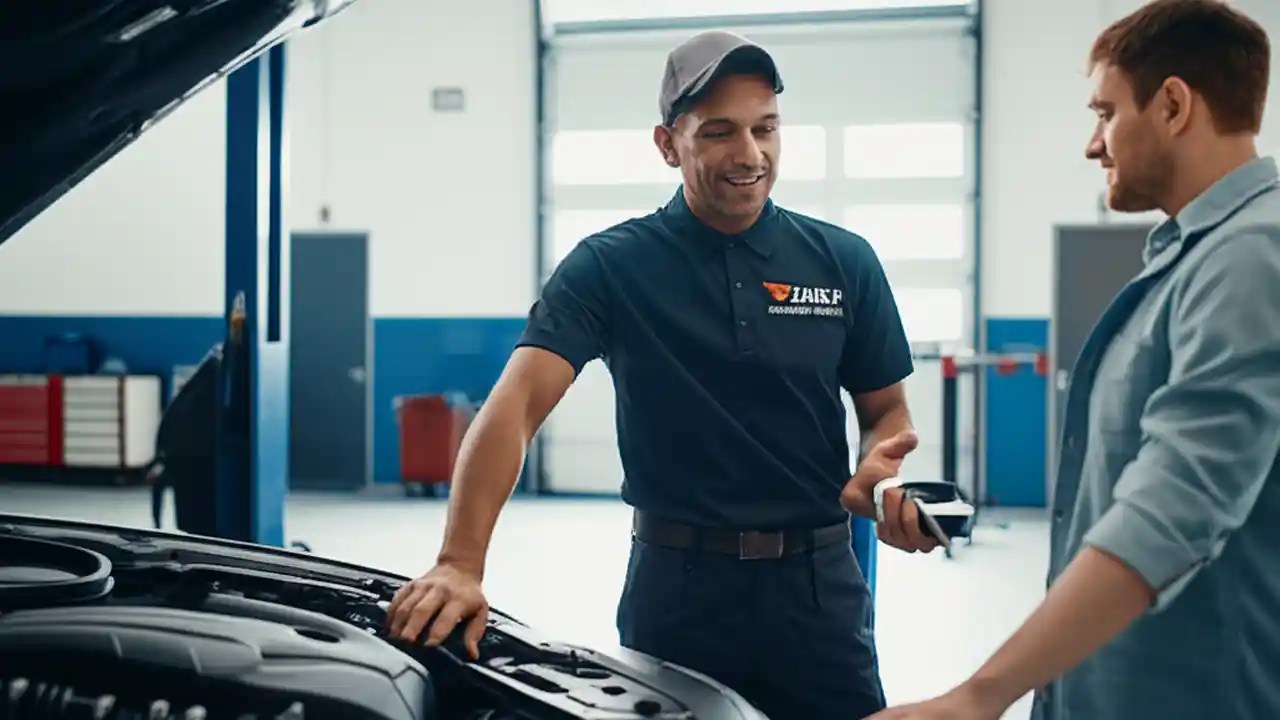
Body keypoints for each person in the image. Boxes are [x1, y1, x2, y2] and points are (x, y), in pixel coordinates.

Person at [385, 28, 940, 720]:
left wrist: (880, 475)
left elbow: (886, 411)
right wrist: (460, 561)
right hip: (679, 592)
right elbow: (516, 405)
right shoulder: (611, 267)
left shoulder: (844, 261)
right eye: (719, 132)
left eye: (766, 128)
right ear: (667, 144)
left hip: (818, 590)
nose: (750, 154)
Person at [869, 1, 1280, 718]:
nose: (1094, 145)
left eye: (1106, 113)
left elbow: (1172, 508)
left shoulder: (1249, 258)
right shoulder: (1197, 256)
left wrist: (977, 697)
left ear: (1174, 105)